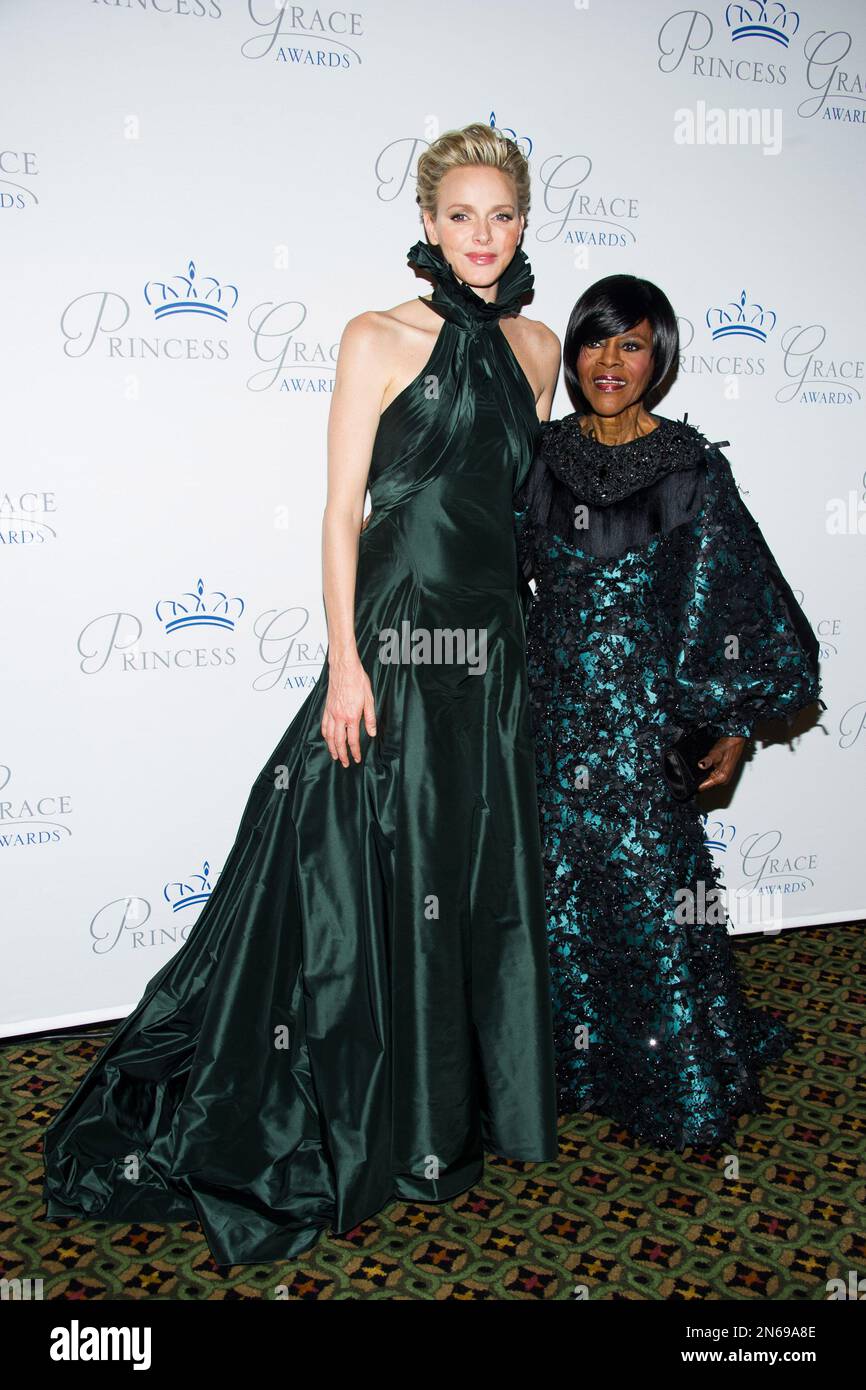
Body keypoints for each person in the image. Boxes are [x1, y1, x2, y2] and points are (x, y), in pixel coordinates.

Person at [43, 123, 563, 1265]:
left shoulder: (537, 345)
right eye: (460, 215)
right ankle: (359, 1100)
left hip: (492, 648)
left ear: (525, 223)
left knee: (467, 865)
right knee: (352, 855)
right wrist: (344, 658)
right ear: (426, 224)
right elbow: (342, 510)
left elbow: (514, 510)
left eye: (502, 215)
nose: (481, 236)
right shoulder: (375, 336)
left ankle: (454, 1107)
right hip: (395, 633)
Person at [514, 273, 822, 1151]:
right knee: (552, 891)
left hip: (647, 723)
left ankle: (671, 1069)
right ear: (572, 354)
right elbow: (486, 574)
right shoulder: (537, 457)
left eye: (633, 343)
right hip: (549, 711)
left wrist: (732, 726)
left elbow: (735, 601)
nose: (611, 361)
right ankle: (560, 1066)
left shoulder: (693, 469)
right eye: (597, 342)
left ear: (660, 357)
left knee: (651, 893)